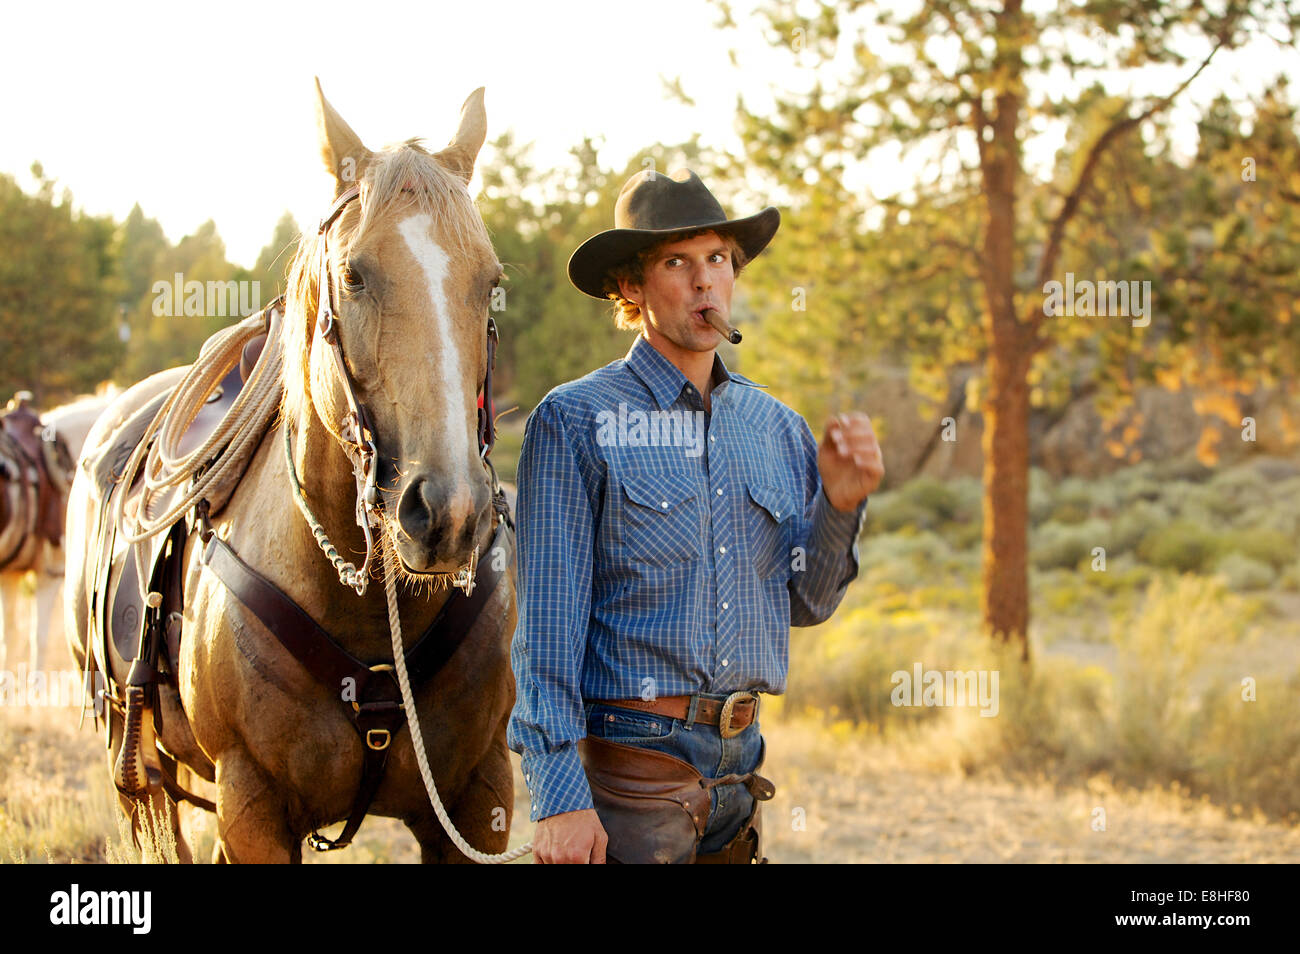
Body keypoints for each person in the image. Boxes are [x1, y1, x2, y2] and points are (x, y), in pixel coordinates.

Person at [507, 168, 884, 863]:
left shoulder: (777, 429)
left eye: (717, 259)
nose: (705, 281)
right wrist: (559, 796)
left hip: (742, 765)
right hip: (632, 769)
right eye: (677, 262)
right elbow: (547, 634)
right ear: (631, 287)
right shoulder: (576, 421)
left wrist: (839, 503)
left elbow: (808, 601)